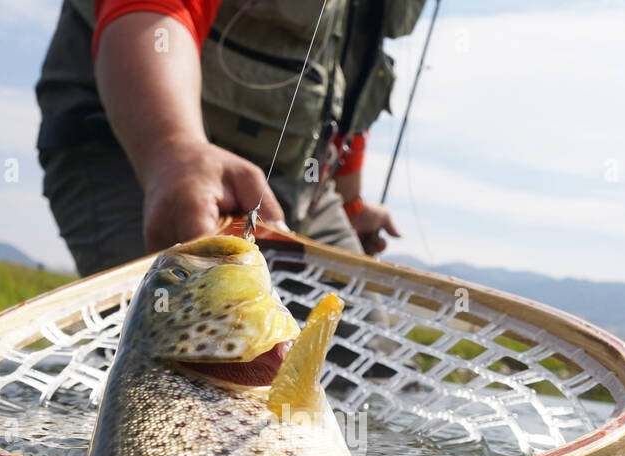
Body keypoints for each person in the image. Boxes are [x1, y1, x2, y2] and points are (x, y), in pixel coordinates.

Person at [35, 0, 425, 276]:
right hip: (133, 147)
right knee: (185, 350)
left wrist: (353, 206)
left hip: (290, 188)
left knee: (370, 364)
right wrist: (172, 147)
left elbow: (346, 93)